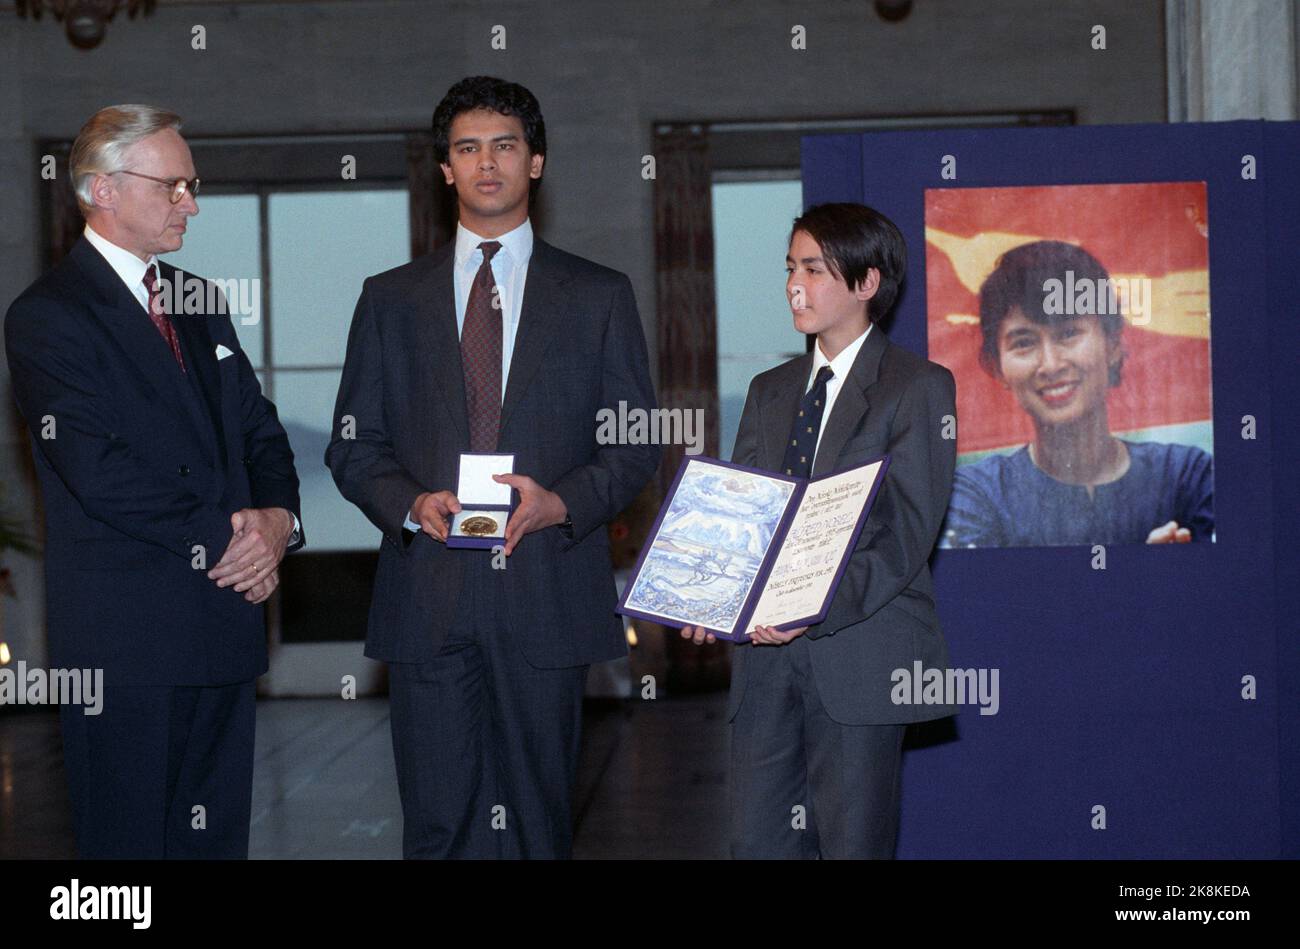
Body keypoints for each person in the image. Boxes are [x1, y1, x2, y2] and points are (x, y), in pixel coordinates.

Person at [325, 76, 659, 859]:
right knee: (437, 829)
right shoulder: (388, 300)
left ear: (535, 162)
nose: (486, 163)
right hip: (429, 596)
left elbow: (636, 440)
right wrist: (410, 503)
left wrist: (561, 503)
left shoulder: (598, 297)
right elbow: (351, 443)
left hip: (546, 589)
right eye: (467, 148)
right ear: (444, 169)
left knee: (542, 827)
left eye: (504, 146)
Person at [4, 104, 303, 858]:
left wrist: (275, 524)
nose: (191, 204)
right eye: (173, 186)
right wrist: (230, 541)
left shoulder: (201, 300)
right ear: (103, 190)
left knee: (214, 844)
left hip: (225, 629)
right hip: (126, 644)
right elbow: (98, 469)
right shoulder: (48, 315)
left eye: (191, 185)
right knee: (127, 856)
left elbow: (260, 432)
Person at [683, 202, 958, 858]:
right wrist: (706, 592)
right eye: (788, 267)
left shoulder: (917, 386)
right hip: (764, 664)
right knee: (757, 844)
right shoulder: (768, 389)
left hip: (858, 653)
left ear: (867, 283)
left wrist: (811, 605)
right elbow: (743, 517)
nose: (793, 285)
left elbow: (903, 536)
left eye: (813, 268)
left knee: (852, 845)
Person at [941, 240, 1214, 548]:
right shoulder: (974, 497)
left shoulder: (1187, 477)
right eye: (1023, 342)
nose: (1051, 364)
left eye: (1069, 333)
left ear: (1112, 343)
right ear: (997, 366)